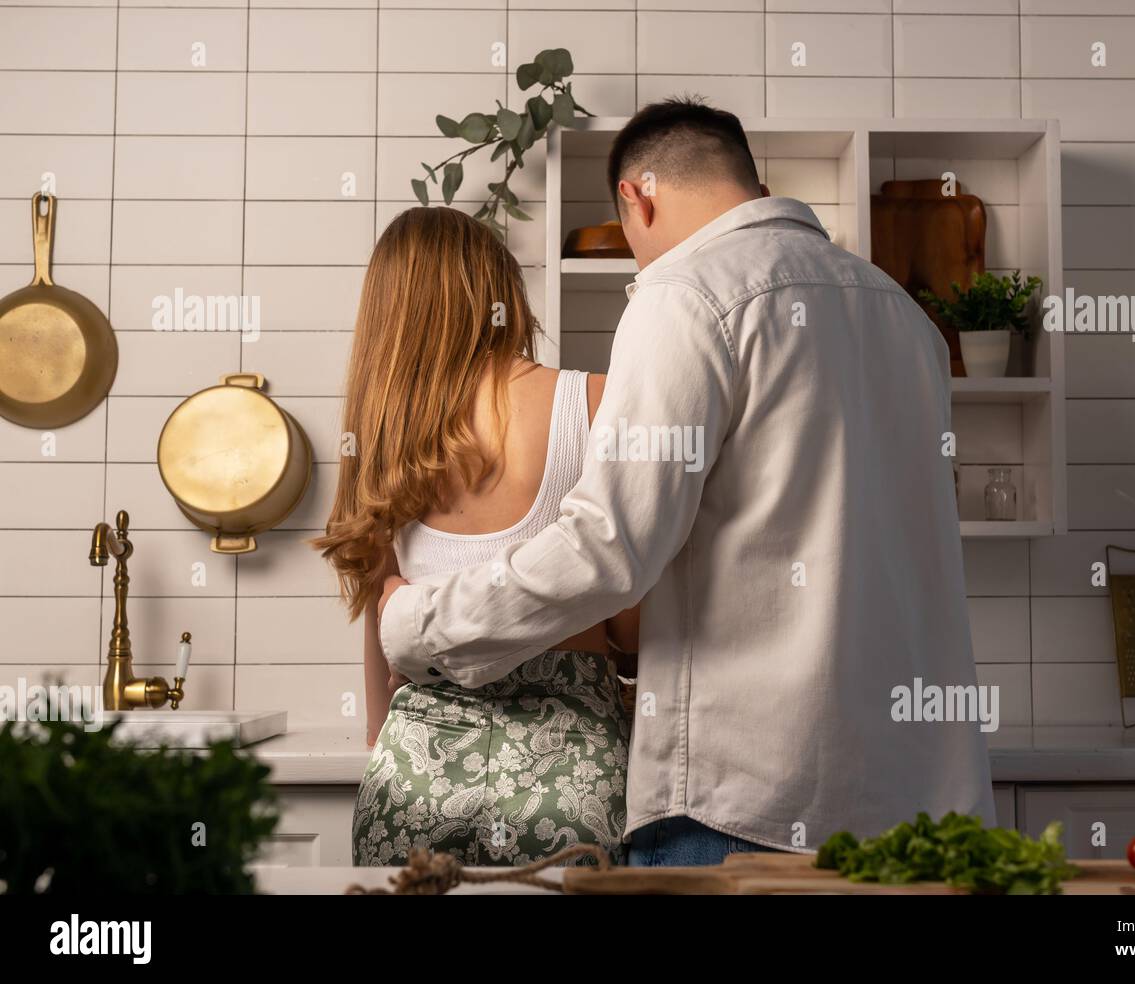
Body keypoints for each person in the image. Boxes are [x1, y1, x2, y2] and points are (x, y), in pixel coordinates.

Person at [378, 98, 995, 867]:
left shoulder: (685, 295)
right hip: (921, 805)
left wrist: (420, 624)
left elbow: (610, 548)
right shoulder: (906, 319)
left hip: (747, 802)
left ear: (638, 197)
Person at [315, 206, 637, 867]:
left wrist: (384, 741)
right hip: (571, 769)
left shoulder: (383, 438)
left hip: (414, 777)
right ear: (501, 290)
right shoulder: (596, 401)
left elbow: (381, 627)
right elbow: (630, 616)